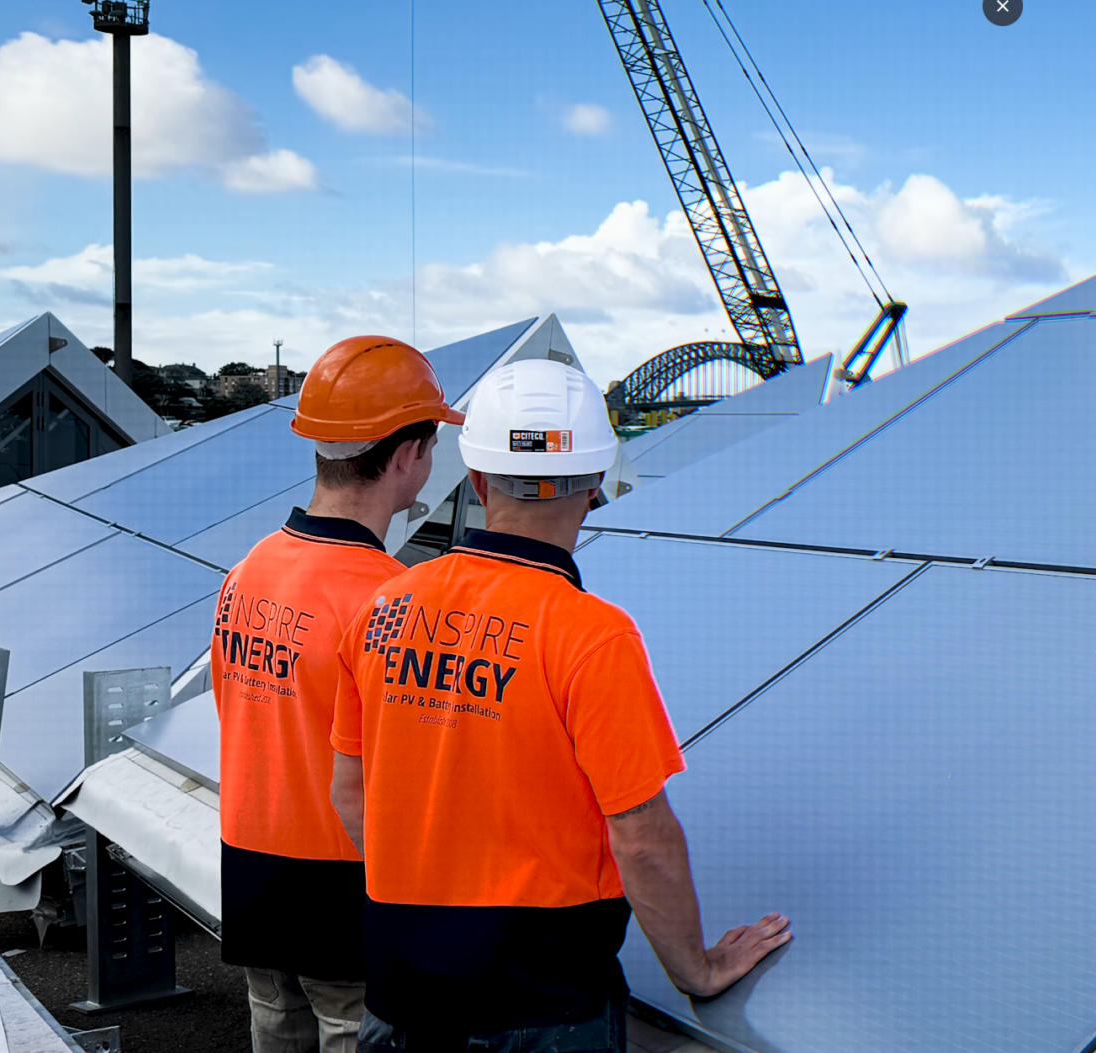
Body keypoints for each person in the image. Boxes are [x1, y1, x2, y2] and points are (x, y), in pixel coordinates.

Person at [329, 359, 788, 1051]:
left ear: (478, 479)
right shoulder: (591, 634)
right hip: (542, 1006)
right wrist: (698, 966)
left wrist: (424, 913)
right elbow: (640, 834)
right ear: (597, 483)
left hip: (401, 996)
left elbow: (350, 795)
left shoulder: (384, 606)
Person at [212, 335, 464, 1053]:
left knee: (276, 1029)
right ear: (410, 454)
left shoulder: (246, 571)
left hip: (252, 871)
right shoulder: (389, 599)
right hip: (343, 883)